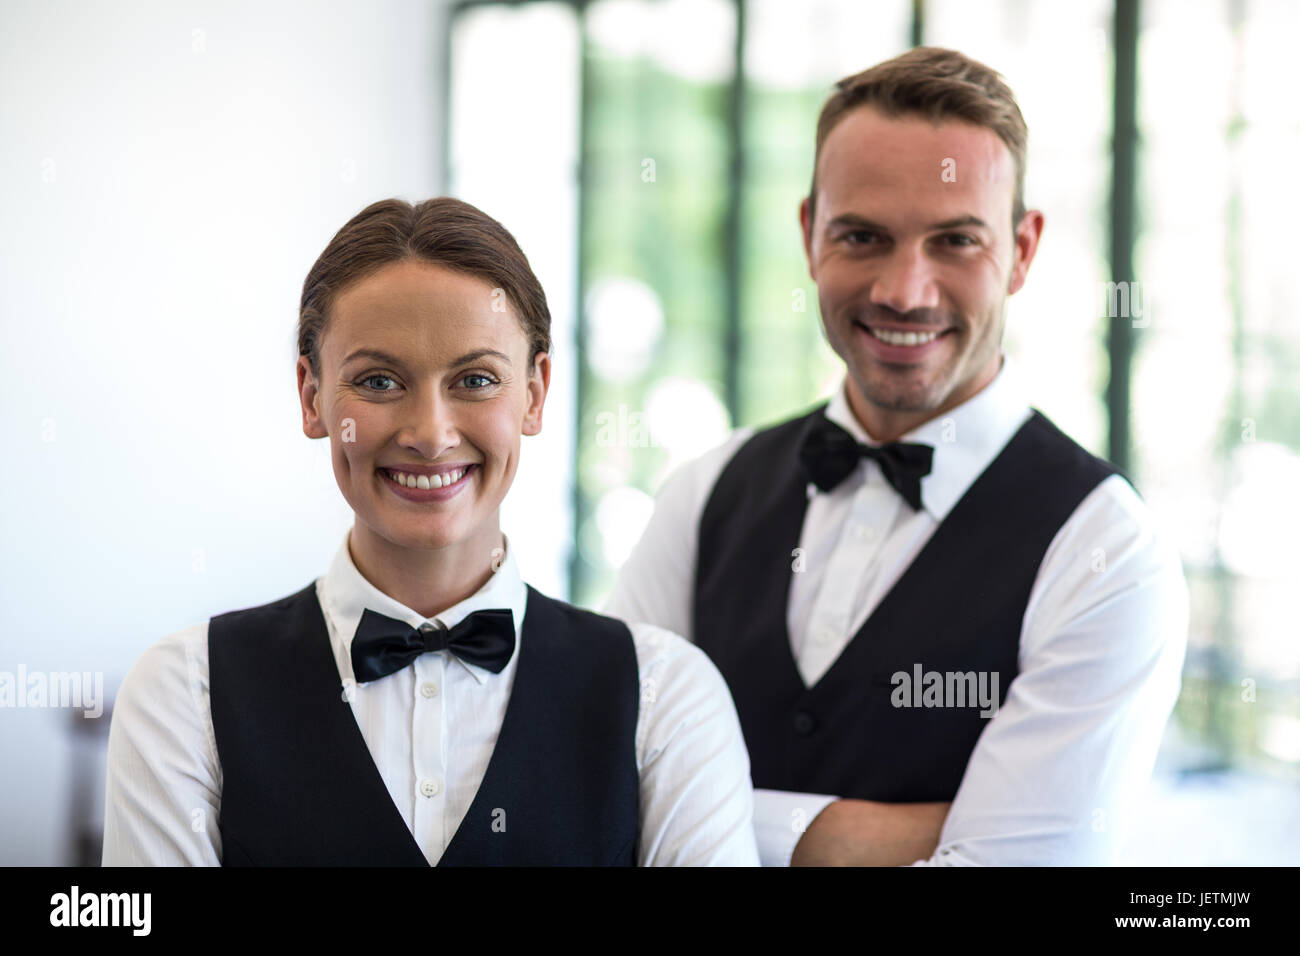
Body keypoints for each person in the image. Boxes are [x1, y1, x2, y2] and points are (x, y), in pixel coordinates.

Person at [604, 46, 1188, 867]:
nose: (904, 291)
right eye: (863, 236)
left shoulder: (1107, 551)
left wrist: (709, 817)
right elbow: (594, 800)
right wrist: (842, 838)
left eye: (955, 241)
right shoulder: (704, 494)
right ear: (810, 235)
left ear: (1022, 251)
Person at [102, 197, 760, 866]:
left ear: (534, 394)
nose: (430, 434)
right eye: (379, 381)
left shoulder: (668, 697)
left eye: (475, 379)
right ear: (311, 396)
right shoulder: (185, 694)